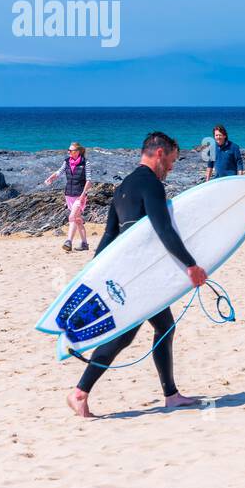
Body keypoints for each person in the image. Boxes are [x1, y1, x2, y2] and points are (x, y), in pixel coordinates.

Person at [67, 131, 207, 419]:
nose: (171, 167)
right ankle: (79, 392)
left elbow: (109, 236)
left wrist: (95, 271)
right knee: (125, 335)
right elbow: (163, 229)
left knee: (164, 326)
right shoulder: (152, 186)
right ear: (159, 153)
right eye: (171, 160)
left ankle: (171, 395)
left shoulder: (124, 187)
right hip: (141, 274)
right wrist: (190, 265)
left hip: (129, 272)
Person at [44, 142, 90, 252]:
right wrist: (50, 178)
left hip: (80, 196)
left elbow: (89, 180)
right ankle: (84, 244)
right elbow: (59, 172)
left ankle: (68, 241)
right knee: (78, 220)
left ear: (77, 152)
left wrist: (83, 195)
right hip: (69, 195)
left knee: (72, 217)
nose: (68, 152)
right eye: (68, 150)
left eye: (71, 150)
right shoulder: (67, 162)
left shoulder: (85, 163)